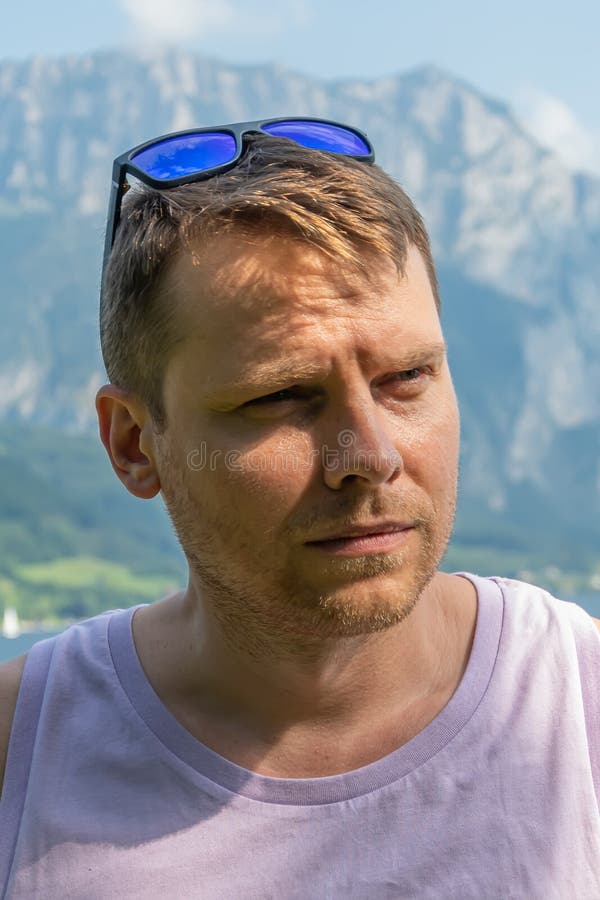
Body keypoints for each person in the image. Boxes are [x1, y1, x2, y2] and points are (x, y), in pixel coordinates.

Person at [0, 118, 599, 898]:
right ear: (135, 445)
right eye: (283, 395)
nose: (371, 456)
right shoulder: (21, 754)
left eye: (407, 377)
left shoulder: (579, 715)